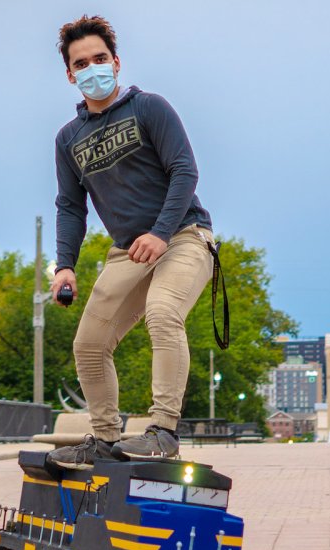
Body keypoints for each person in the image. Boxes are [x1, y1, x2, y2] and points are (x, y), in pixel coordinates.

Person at [46, 15, 216, 470]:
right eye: (81, 63)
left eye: (100, 58)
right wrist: (65, 265)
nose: (92, 68)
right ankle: (104, 439)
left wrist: (161, 233)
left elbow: (185, 171)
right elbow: (70, 206)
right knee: (89, 343)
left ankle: (163, 432)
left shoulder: (149, 108)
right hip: (127, 252)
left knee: (162, 312)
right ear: (70, 75)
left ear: (116, 63)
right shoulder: (68, 139)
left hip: (184, 235)